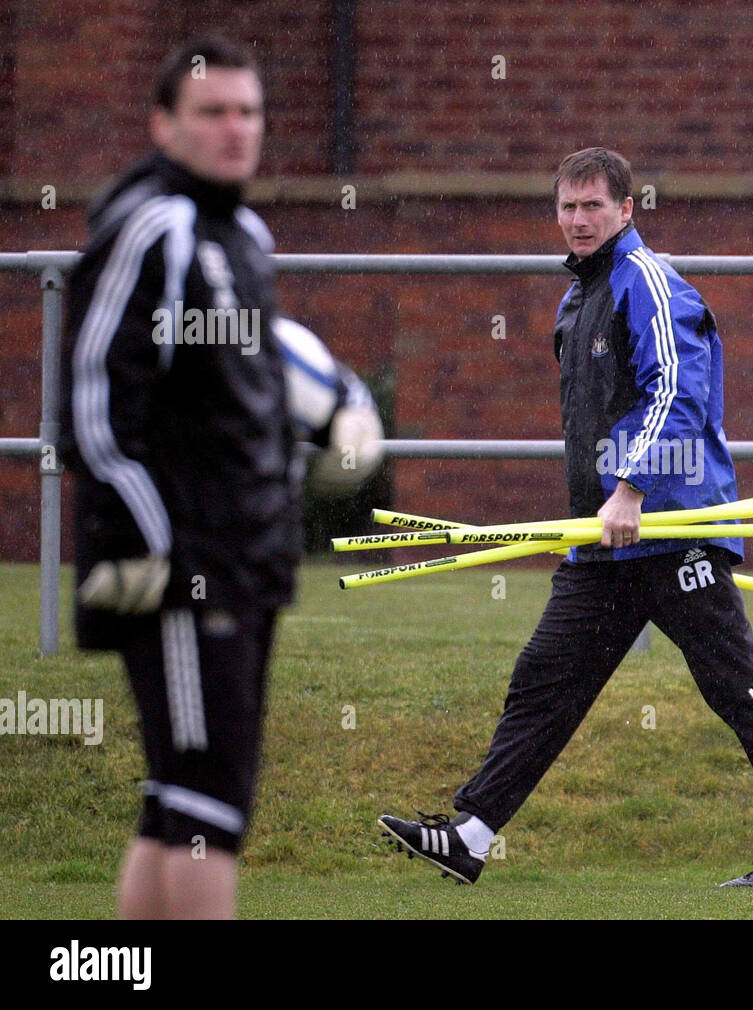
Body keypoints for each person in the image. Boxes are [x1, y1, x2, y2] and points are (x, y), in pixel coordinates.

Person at [380, 147, 753, 887]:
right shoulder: (576, 299)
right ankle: (469, 836)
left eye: (594, 206)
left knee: (737, 687)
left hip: (670, 525)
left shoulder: (648, 283)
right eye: (568, 207)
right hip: (605, 541)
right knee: (544, 680)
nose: (579, 220)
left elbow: (676, 392)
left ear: (627, 210)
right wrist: (606, 505)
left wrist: (632, 488)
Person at [60, 35, 379, 918]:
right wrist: (152, 544)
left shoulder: (240, 233)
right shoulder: (151, 227)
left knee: (182, 793)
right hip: (182, 564)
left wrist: (334, 409)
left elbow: (251, 377)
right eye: (213, 112)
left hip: (246, 555)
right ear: (165, 124)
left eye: (249, 112)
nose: (236, 129)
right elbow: (94, 399)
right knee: (207, 795)